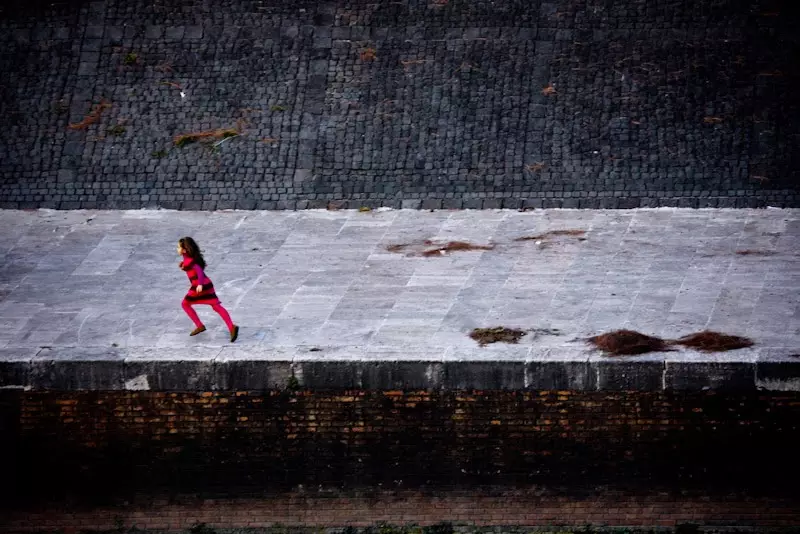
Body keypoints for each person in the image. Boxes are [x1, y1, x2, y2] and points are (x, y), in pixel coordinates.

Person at [177, 237, 239, 342]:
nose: (177, 249)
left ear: (184, 249)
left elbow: (199, 271)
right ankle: (231, 327)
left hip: (199, 286)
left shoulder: (191, 261)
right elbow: (190, 266)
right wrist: (183, 266)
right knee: (215, 306)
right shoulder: (188, 259)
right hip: (206, 285)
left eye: (178, 247)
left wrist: (200, 284)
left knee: (185, 304)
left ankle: (200, 325)